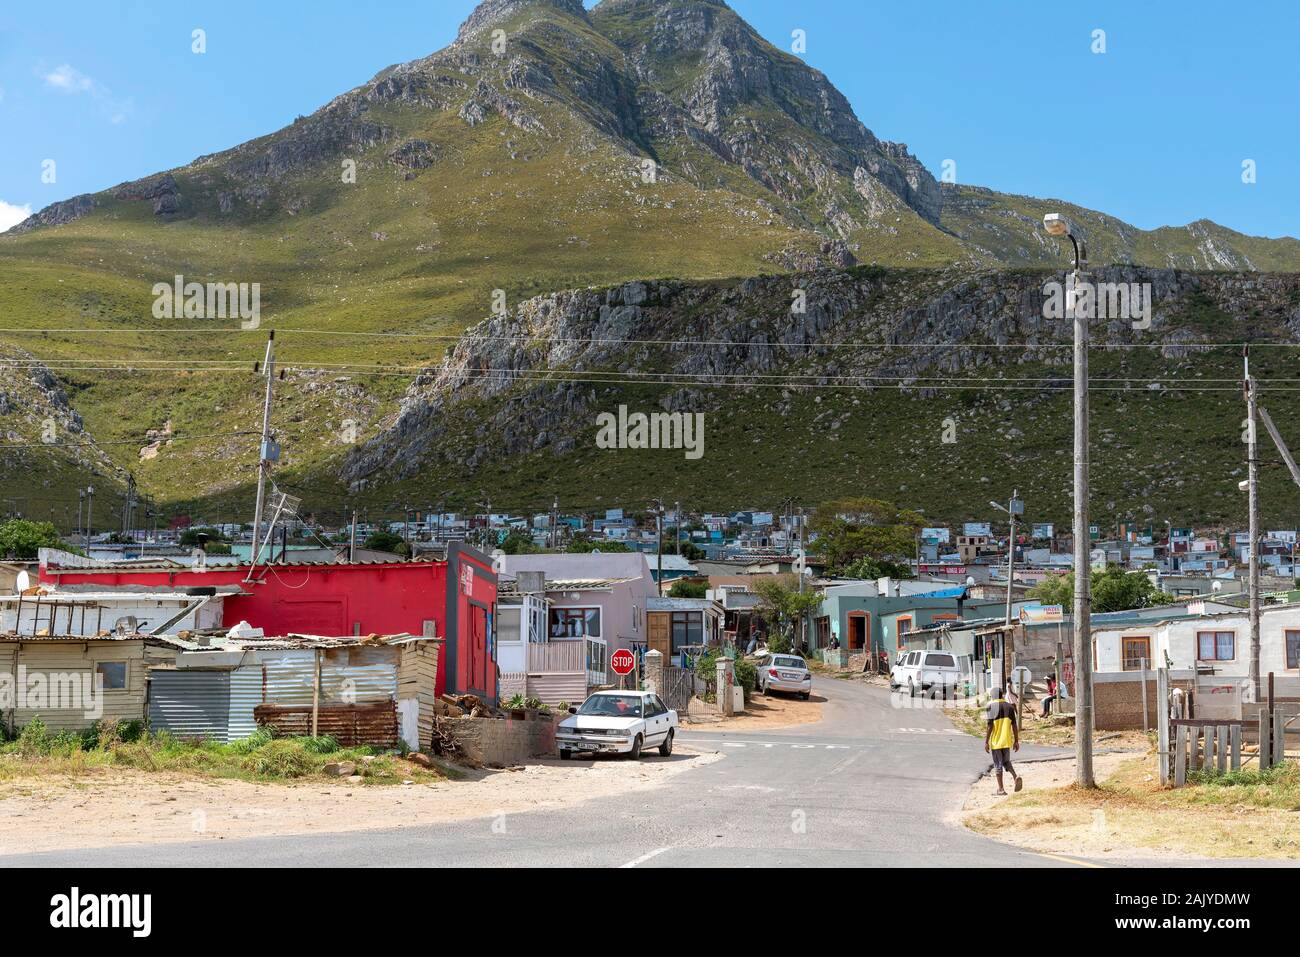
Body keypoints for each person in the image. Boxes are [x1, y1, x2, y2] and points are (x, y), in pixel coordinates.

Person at [984, 687, 1022, 795]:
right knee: (1006, 762)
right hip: (1006, 741)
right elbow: (1014, 726)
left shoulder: (991, 707)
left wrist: (986, 741)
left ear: (993, 696)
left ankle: (1001, 789)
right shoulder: (1009, 707)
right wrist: (1016, 741)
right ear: (1001, 695)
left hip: (996, 742)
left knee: (998, 765)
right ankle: (1015, 776)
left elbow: (990, 726)